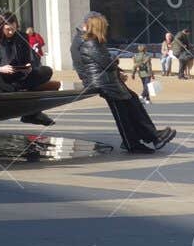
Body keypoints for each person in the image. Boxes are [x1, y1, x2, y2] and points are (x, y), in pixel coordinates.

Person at [74, 13, 174, 153]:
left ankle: (150, 136)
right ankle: (133, 143)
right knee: (122, 112)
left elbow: (95, 62)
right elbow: (105, 62)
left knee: (131, 101)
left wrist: (114, 69)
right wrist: (115, 60)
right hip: (103, 82)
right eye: (104, 27)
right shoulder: (90, 42)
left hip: (103, 80)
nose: (105, 30)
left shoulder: (84, 40)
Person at [0, 12, 57, 126]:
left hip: (16, 75)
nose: (11, 32)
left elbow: (31, 59)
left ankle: (12, 89)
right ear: (1, 27)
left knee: (46, 71)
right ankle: (31, 111)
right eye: (8, 29)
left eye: (13, 29)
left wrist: (29, 67)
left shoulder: (22, 37)